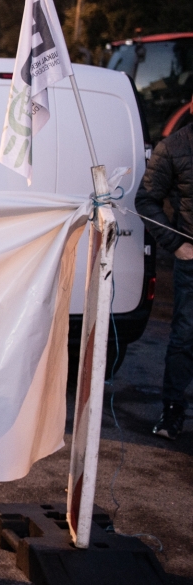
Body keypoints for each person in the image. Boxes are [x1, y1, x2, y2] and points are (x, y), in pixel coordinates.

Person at [136, 122, 193, 439]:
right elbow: (146, 200)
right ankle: (172, 413)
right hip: (191, 260)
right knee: (185, 337)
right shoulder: (173, 147)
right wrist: (176, 244)